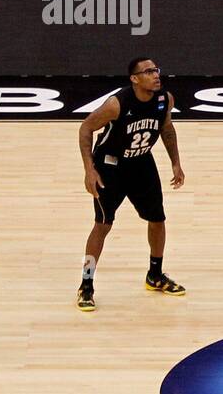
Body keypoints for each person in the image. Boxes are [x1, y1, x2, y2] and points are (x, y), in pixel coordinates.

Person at [76, 57, 185, 311]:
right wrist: (89, 169)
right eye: (148, 72)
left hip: (141, 163)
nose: (156, 75)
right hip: (110, 168)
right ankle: (86, 284)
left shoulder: (164, 99)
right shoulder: (117, 104)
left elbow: (167, 128)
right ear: (134, 79)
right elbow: (85, 128)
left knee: (158, 219)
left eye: (156, 70)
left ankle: (155, 275)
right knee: (102, 225)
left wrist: (176, 162)